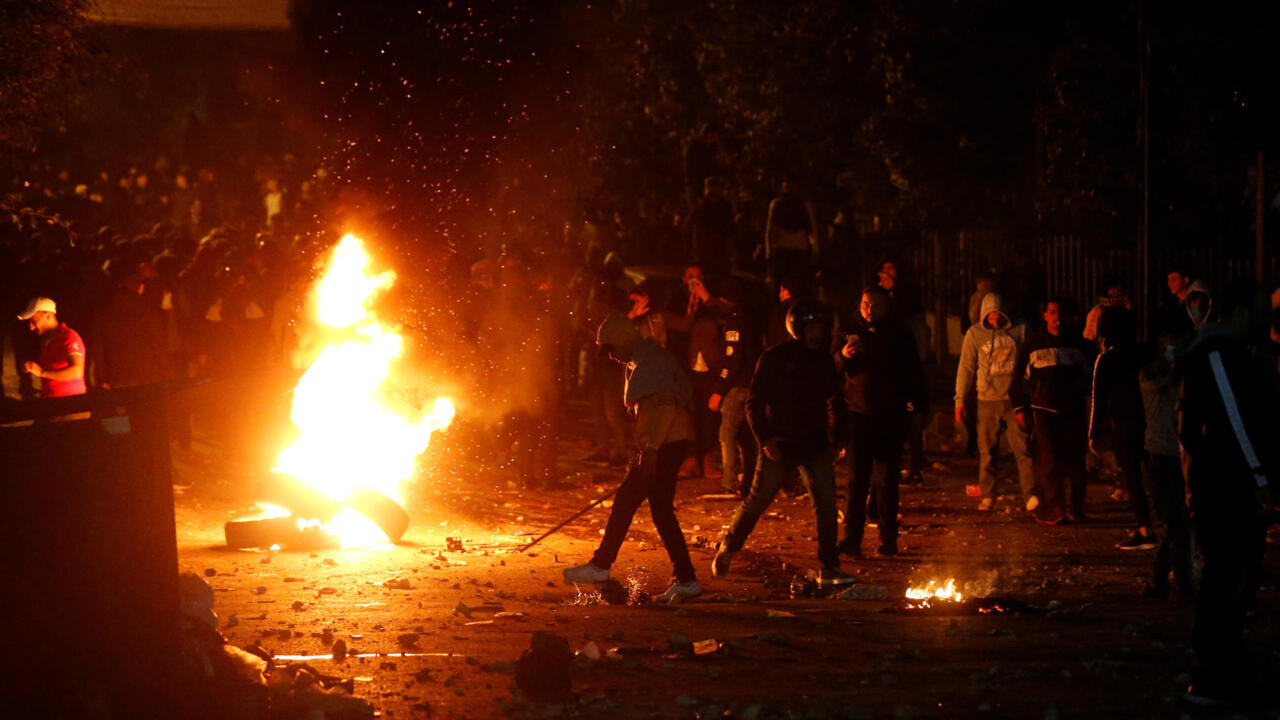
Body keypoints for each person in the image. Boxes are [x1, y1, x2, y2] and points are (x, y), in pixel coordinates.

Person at [1177, 282, 1277, 708]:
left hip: (1226, 486)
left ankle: (1222, 670)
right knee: (1227, 580)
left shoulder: (1226, 355)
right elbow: (1236, 424)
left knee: (1233, 579)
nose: (1263, 319)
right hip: (1227, 489)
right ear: (1238, 313)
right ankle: (1214, 674)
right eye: (1257, 311)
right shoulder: (1217, 357)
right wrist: (1260, 481)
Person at [711, 299, 855, 587]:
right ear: (797, 328)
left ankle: (829, 566)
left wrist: (838, 438)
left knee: (826, 506)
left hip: (814, 442)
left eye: (821, 328)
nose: (817, 334)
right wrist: (765, 439)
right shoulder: (775, 357)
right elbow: (754, 403)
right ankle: (728, 546)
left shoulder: (823, 360)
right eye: (811, 328)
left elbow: (835, 399)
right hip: (780, 443)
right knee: (757, 501)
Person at [563, 312, 702, 604]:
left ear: (624, 340)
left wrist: (651, 450)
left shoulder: (651, 361)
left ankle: (601, 565)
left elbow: (665, 407)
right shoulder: (641, 358)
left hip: (665, 445)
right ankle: (687, 579)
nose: (611, 356)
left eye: (612, 348)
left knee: (626, 500)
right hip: (665, 444)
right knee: (661, 512)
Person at [837, 286, 926, 557]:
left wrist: (919, 407)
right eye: (866, 304)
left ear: (886, 306)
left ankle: (888, 539)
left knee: (886, 480)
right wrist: (843, 356)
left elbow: (914, 371)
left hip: (890, 415)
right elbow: (831, 369)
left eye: (875, 304)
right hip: (858, 415)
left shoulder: (899, 334)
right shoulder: (850, 332)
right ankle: (852, 539)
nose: (869, 310)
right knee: (857, 481)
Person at [955, 293, 1036, 511]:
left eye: (998, 314)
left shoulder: (1020, 330)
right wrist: (960, 400)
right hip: (986, 400)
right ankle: (988, 494)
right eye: (990, 315)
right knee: (987, 451)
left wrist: (1028, 393)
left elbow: (1029, 361)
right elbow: (966, 367)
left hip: (1013, 401)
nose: (995, 319)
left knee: (1023, 449)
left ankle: (1030, 494)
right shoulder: (974, 334)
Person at [1089, 306, 1155, 550]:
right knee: (1159, 475)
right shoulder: (1147, 352)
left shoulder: (1107, 359)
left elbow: (1099, 398)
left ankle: (1145, 530)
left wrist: (1094, 433)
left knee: (1133, 478)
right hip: (1154, 421)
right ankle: (1174, 527)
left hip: (1126, 425)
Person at [1020, 297, 1090, 524]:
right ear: (1045, 316)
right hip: (1044, 409)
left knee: (1075, 460)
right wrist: (1020, 407)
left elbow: (1089, 377)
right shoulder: (1033, 343)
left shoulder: (1078, 344)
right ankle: (1056, 508)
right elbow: (1020, 378)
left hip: (1072, 410)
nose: (1056, 317)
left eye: (1060, 313)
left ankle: (1077, 506)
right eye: (1052, 312)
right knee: (1049, 460)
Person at [1138, 335, 1193, 602]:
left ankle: (1161, 582)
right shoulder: (1150, 376)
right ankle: (1179, 586)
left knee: (1178, 525)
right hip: (1159, 456)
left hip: (1174, 455)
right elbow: (1165, 378)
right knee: (1177, 525)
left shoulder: (1174, 376)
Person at [708, 278, 761, 497]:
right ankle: (753, 483)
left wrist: (719, 390)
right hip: (753, 384)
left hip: (738, 386)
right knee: (749, 437)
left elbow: (732, 360)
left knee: (726, 434)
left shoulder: (734, 322)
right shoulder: (751, 318)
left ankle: (729, 483)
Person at [19, 297, 87, 398]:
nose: (31, 328)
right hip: (53, 403)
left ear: (48, 316)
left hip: (71, 403)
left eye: (34, 321)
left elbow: (76, 371)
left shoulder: (69, 337)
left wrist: (41, 372)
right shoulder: (47, 342)